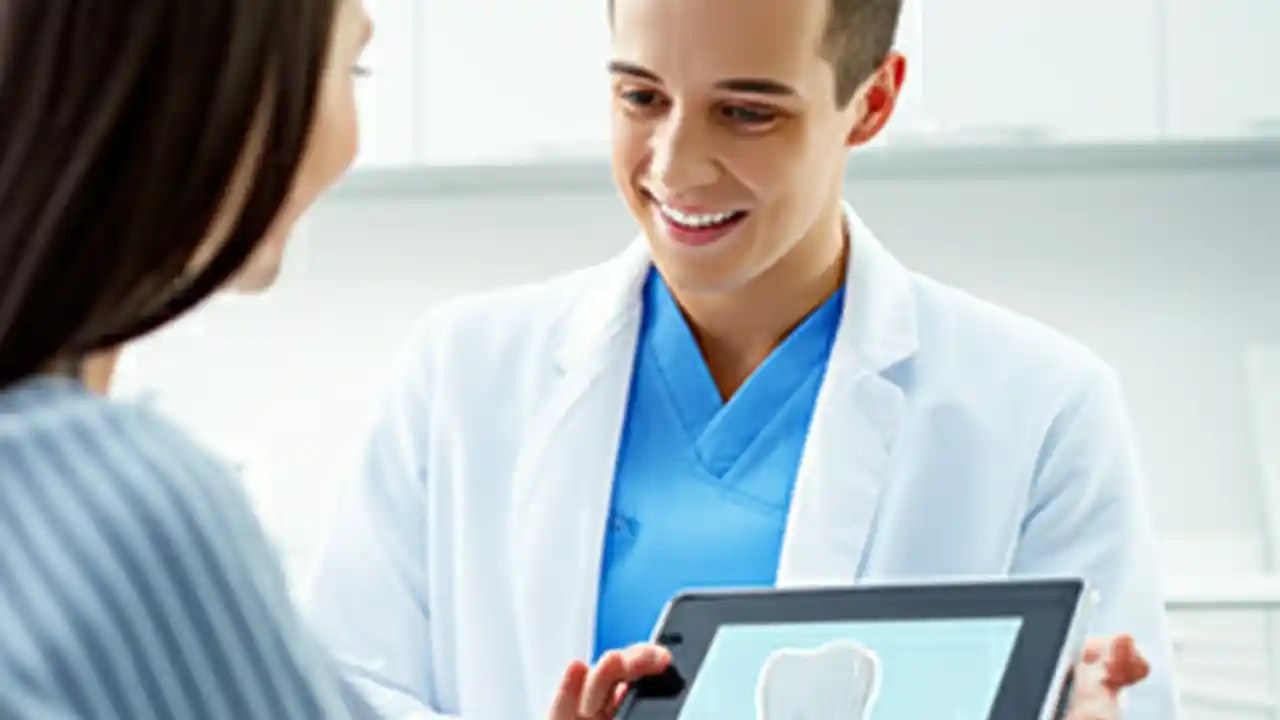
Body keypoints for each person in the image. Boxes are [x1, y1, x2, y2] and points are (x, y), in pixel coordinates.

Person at [303, 0, 1177, 717]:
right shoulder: (463, 372)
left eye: (748, 112)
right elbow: (345, 690)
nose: (677, 165)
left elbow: (1106, 695)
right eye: (642, 99)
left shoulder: (1039, 407)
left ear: (872, 102)